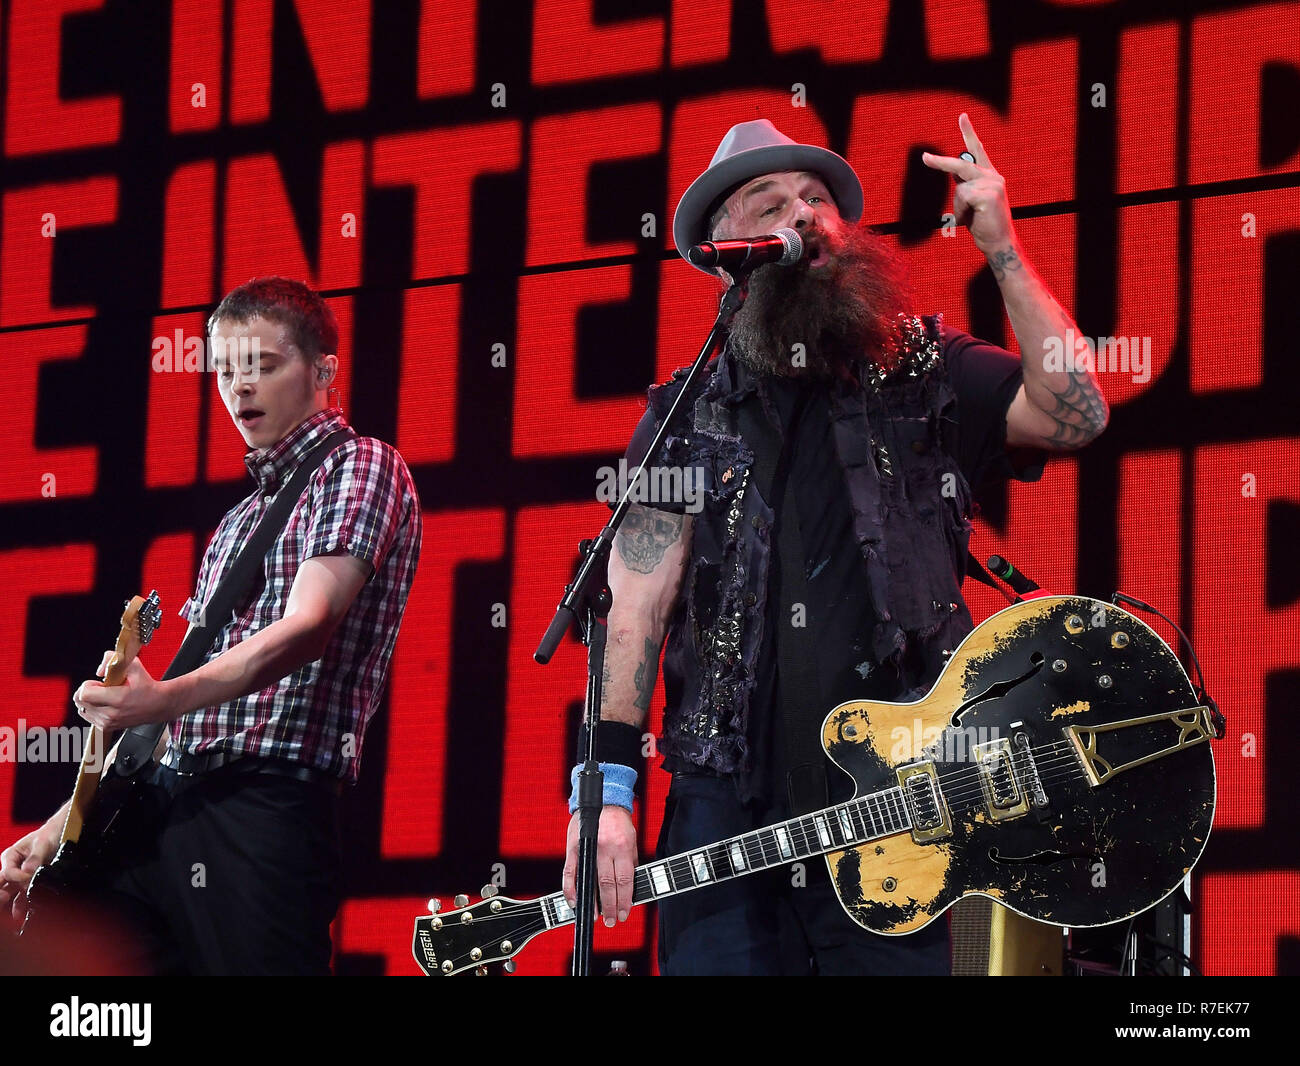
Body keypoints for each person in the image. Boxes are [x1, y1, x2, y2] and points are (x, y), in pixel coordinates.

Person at [561, 117, 1109, 975]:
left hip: (914, 804)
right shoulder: (680, 419)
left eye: (816, 199)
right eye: (770, 203)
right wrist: (610, 795)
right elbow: (634, 608)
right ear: (720, 249)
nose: (804, 215)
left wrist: (1001, 246)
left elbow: (1077, 413)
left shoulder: (925, 368)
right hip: (726, 815)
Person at [0, 276, 422, 975]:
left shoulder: (359, 464)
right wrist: (51, 833)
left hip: (262, 807)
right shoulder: (235, 525)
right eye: (225, 371)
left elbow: (307, 626)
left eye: (261, 365)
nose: (238, 389)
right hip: (164, 803)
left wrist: (161, 697)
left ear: (323, 370)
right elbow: (172, 721)